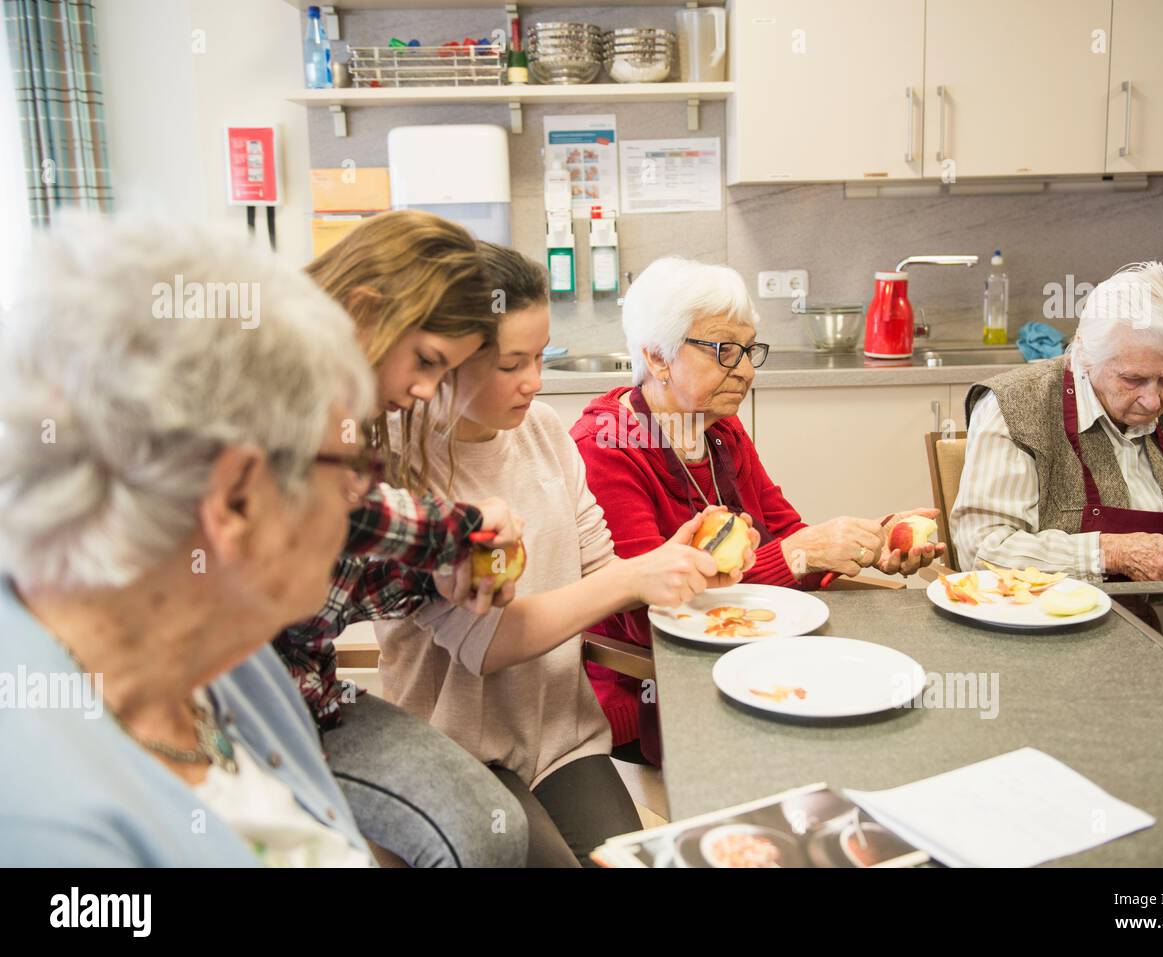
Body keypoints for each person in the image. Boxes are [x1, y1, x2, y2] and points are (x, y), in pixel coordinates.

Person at [0, 215, 380, 865]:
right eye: (349, 465)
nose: (362, 496)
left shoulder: (230, 654)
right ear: (237, 498)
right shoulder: (44, 825)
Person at [376, 243, 757, 866]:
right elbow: (487, 644)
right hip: (454, 748)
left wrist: (675, 564)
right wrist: (638, 575)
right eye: (510, 364)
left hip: (562, 740)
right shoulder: (404, 472)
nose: (535, 381)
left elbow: (601, 569)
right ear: (445, 360)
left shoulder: (544, 431)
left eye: (539, 356)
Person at [571, 256, 943, 764]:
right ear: (657, 357)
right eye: (724, 351)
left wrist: (866, 544)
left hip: (750, 659)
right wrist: (799, 556)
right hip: (652, 696)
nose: (745, 370)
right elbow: (646, 616)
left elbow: (789, 535)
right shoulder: (608, 447)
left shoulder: (720, 431)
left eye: (748, 350)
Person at [276, 210, 532, 866]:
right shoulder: (272, 380)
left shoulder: (355, 415)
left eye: (442, 374)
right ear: (364, 307)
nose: (422, 390)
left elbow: (334, 575)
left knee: (495, 832)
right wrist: (464, 531)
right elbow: (342, 514)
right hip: (247, 708)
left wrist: (435, 574)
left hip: (311, 694)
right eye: (424, 361)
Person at [952, 261, 1163, 582]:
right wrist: (1111, 553)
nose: (1154, 401)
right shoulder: (1014, 406)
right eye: (1132, 379)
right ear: (1085, 354)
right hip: (1054, 623)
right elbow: (981, 551)